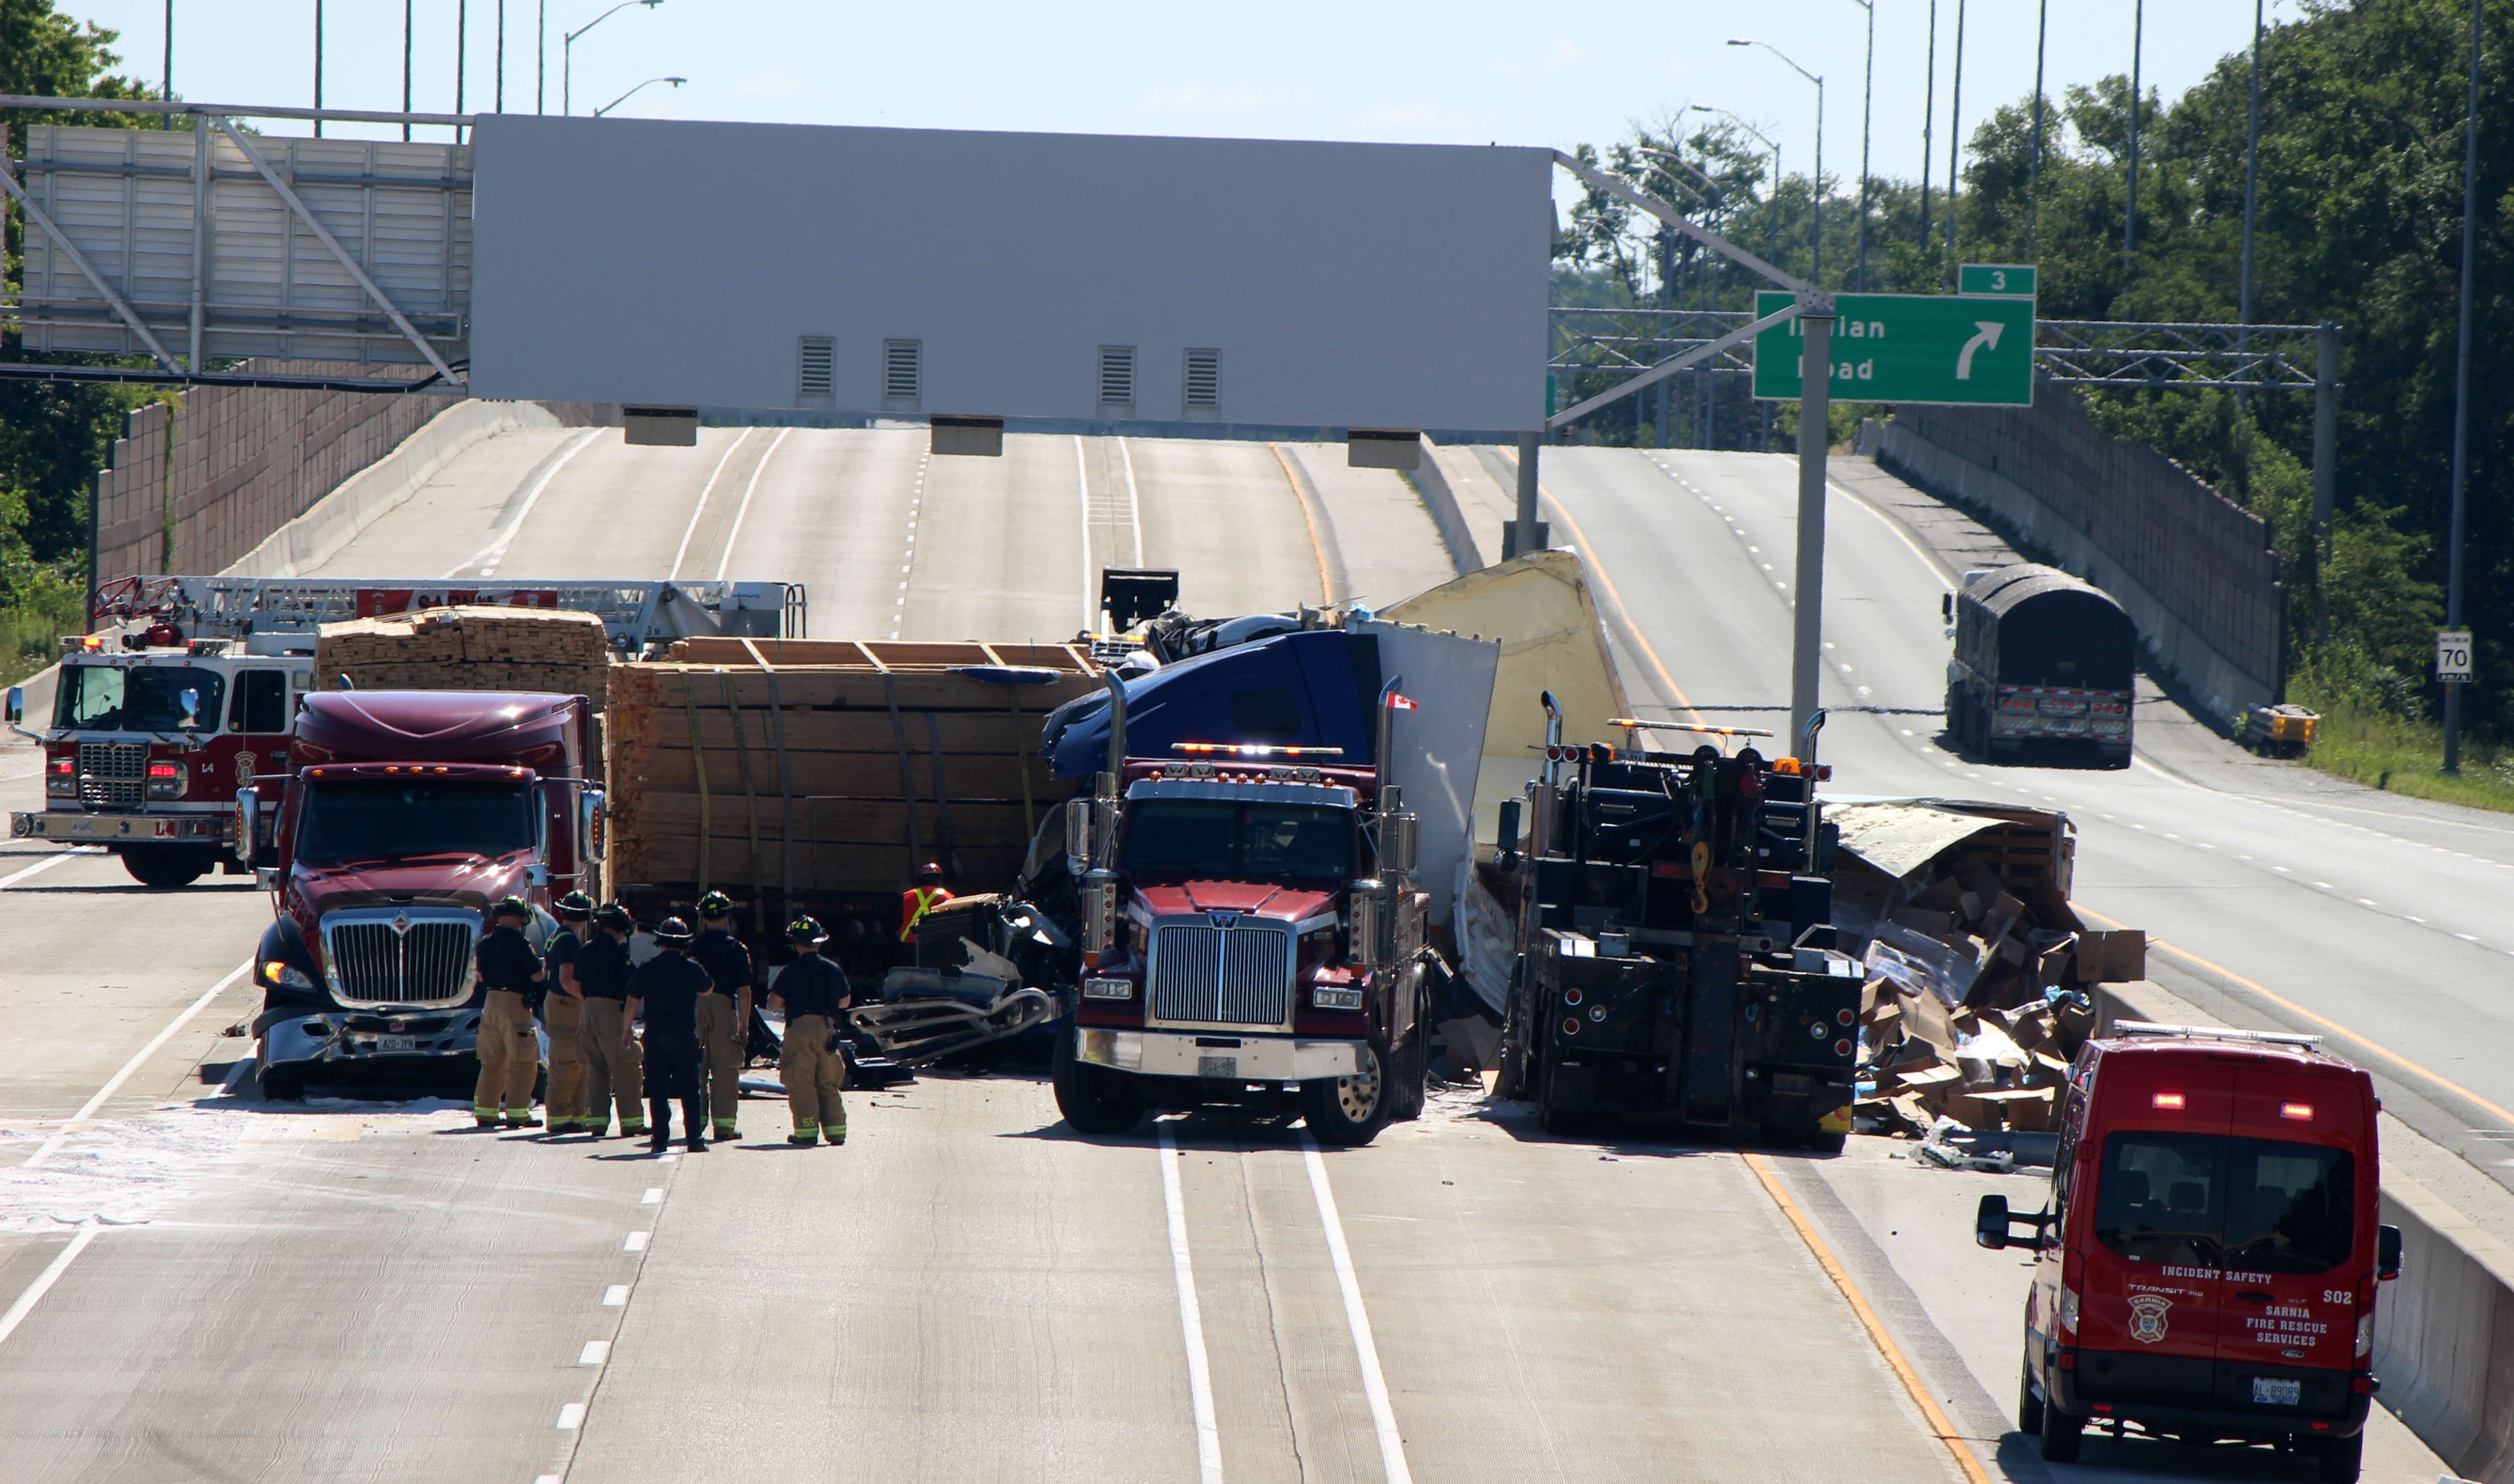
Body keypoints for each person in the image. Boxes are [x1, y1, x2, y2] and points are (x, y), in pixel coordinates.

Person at [625, 916, 713, 1154]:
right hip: (684, 1036)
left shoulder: (647, 967)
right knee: (690, 1089)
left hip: (654, 1037)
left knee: (658, 1090)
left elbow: (633, 1001)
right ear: (684, 942)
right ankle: (694, 1139)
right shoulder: (691, 968)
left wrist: (626, 1032)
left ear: (660, 941)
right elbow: (708, 989)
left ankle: (659, 1141)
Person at [767, 916, 851, 1146]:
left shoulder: (791, 971)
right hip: (828, 1029)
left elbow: (773, 1004)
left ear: (796, 944)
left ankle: (806, 1132)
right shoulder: (833, 969)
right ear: (819, 942)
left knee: (801, 1082)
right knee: (828, 1082)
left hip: (800, 1029)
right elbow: (845, 1002)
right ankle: (836, 1132)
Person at [471, 896, 546, 1129]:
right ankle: (517, 1113)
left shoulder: (484, 943)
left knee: (492, 1062)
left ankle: (486, 1112)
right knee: (522, 1061)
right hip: (515, 1004)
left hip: (490, 1003)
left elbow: (480, 976)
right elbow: (538, 976)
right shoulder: (520, 944)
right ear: (517, 917)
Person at [687, 891, 755, 1143]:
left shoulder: (692, 947)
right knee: (725, 1069)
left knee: (696, 1067)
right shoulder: (737, 949)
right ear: (727, 917)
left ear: (703, 918)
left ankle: (697, 1123)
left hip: (695, 1008)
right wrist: (743, 1027)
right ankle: (724, 1127)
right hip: (724, 1008)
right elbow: (745, 992)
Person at [575, 902, 646, 1140]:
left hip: (587, 1010)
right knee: (626, 1067)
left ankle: (596, 1122)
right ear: (622, 928)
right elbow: (634, 988)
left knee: (596, 1069)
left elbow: (576, 983)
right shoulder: (619, 955)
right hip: (611, 1011)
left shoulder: (585, 950)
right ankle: (632, 1122)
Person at [540, 891, 594, 1134]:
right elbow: (567, 979)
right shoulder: (570, 941)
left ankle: (575, 1115)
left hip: (559, 1004)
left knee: (577, 1062)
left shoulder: (557, 935)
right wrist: (588, 998)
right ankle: (560, 1116)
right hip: (566, 1006)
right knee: (567, 1063)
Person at [899, 861, 953, 945]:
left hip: (908, 942)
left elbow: (897, 920)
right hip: (936, 943)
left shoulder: (905, 896)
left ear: (920, 880)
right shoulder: (949, 897)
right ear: (940, 879)